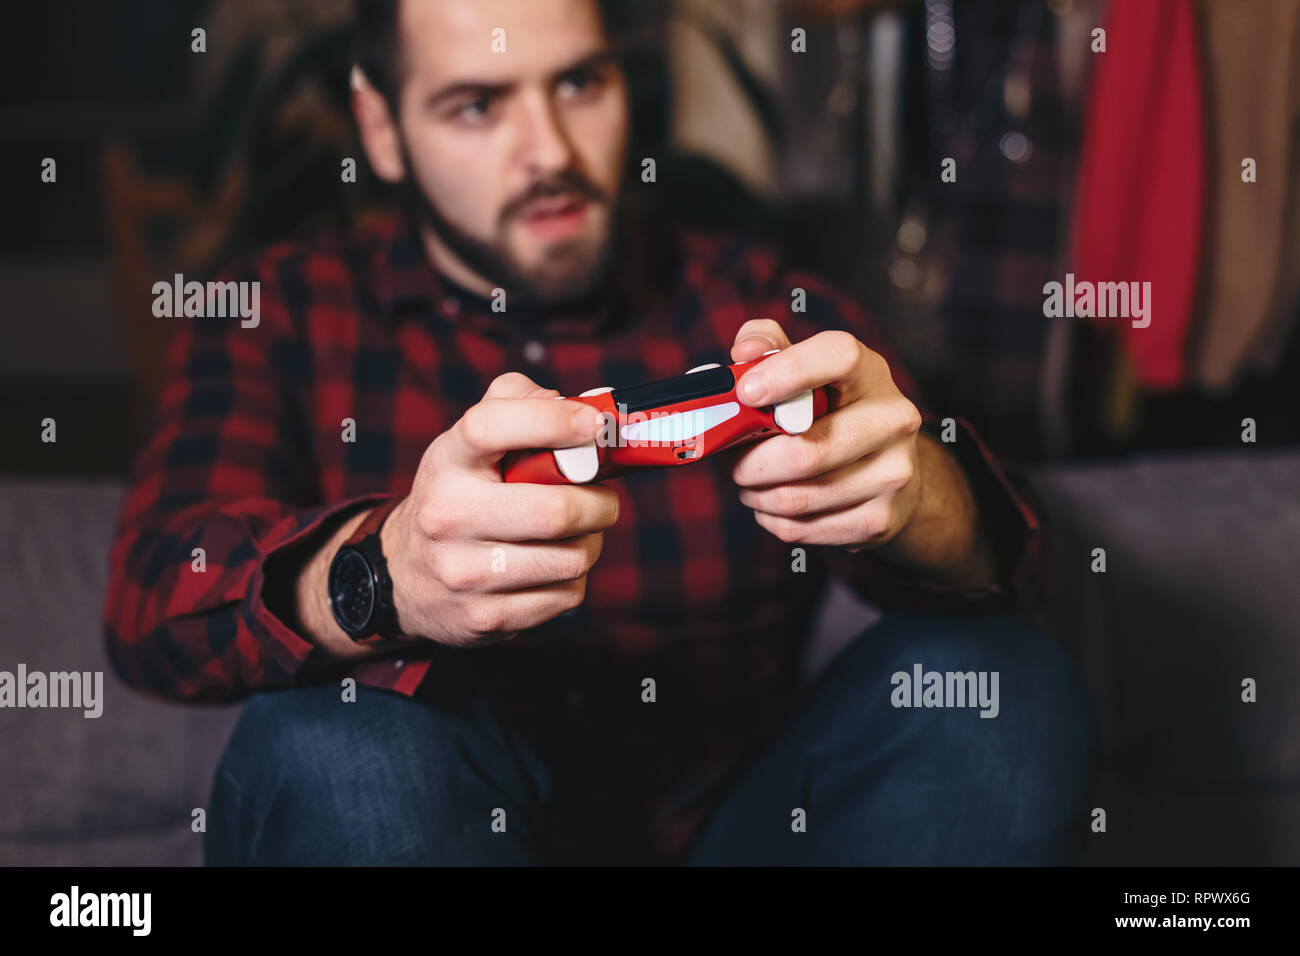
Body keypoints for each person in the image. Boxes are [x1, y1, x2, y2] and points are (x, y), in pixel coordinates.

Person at [104, 0, 1096, 865]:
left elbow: (1019, 565)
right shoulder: (275, 310)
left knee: (996, 684)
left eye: (578, 82)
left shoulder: (757, 298)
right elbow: (150, 592)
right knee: (341, 739)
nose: (549, 152)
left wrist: (919, 493)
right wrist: (382, 571)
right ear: (384, 125)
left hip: (728, 835)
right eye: (476, 104)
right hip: (419, 814)